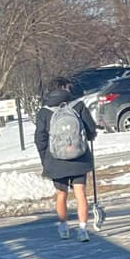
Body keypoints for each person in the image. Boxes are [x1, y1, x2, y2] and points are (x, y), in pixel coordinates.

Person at [35, 76, 97, 241]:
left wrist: (45, 159)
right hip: (79, 157)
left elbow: (40, 139)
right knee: (80, 193)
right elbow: (91, 129)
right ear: (64, 88)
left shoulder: (44, 112)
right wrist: (89, 137)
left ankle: (63, 227)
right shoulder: (78, 106)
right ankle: (83, 229)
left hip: (55, 160)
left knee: (61, 194)